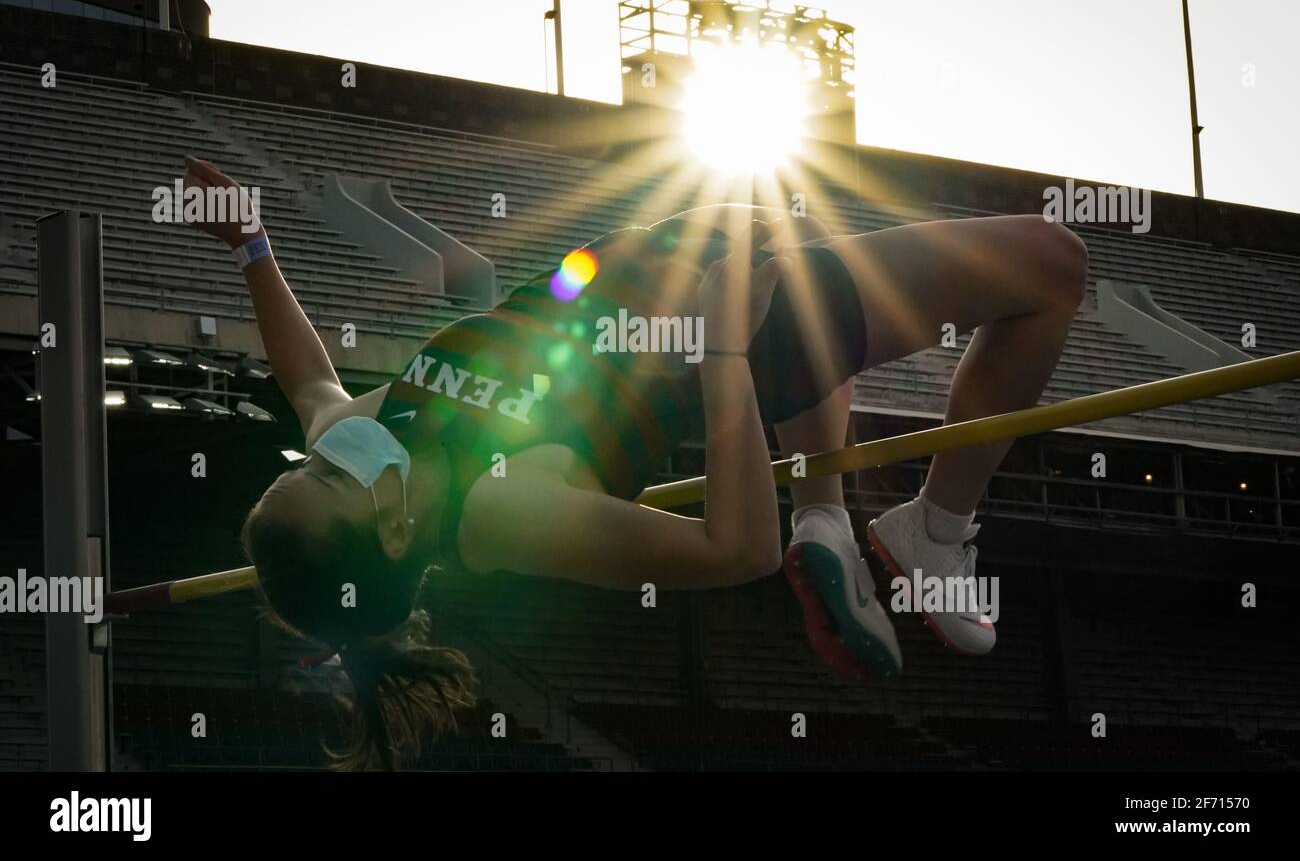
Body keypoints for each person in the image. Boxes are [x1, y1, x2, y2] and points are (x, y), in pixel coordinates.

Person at [181, 155, 1087, 769]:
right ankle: (935, 529)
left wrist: (253, 245)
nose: (331, 448)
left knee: (785, 251)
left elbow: (308, 381)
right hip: (723, 328)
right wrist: (726, 347)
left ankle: (830, 518)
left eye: (304, 464)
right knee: (1051, 264)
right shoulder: (498, 514)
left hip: (645, 271)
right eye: (328, 476)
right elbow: (732, 551)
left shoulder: (379, 434)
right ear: (390, 530)